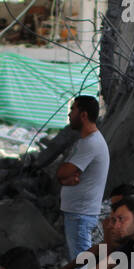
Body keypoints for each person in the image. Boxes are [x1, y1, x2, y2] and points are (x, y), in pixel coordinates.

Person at [56, 96, 110, 260]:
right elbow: (63, 176)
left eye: (73, 109)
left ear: (84, 115)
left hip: (80, 214)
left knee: (82, 267)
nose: (69, 114)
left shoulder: (91, 144)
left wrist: (65, 176)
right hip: (77, 213)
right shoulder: (85, 141)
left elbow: (62, 172)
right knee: (78, 264)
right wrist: (65, 177)